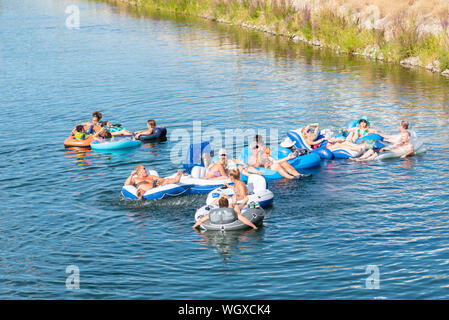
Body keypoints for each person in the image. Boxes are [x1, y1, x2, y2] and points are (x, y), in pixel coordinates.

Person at [193, 193, 258, 230]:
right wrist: (254, 226)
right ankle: (240, 202)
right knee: (236, 207)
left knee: (233, 206)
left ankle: (234, 203)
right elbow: (243, 219)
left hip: (215, 228)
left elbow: (201, 221)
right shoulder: (232, 212)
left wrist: (194, 227)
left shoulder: (212, 213)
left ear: (218, 205)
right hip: (232, 222)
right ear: (226, 204)